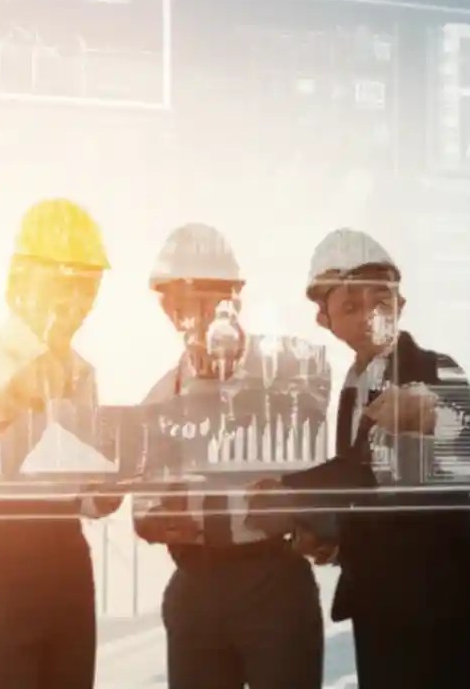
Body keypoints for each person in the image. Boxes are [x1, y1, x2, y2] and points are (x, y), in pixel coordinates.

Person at [253, 228, 470, 689]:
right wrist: (336, 542)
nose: (369, 316)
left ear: (401, 305)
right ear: (323, 318)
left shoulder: (433, 370)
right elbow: (373, 499)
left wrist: (289, 492)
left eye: (381, 301)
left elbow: (380, 473)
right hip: (384, 600)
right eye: (351, 306)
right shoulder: (351, 388)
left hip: (441, 602)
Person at [133, 224, 328, 689]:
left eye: (217, 296)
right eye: (187, 300)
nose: (203, 312)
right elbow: (141, 507)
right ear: (168, 308)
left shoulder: (287, 374)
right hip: (195, 589)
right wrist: (150, 522)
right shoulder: (159, 397)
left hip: (273, 581)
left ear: (237, 299)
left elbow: (321, 471)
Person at [0, 198, 123, 689]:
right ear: (25, 280)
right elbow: (5, 393)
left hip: (68, 563)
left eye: (89, 287)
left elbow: (85, 492)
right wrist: (45, 358)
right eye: (66, 284)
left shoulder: (84, 373)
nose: (80, 301)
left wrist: (107, 490)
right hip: (0, 563)